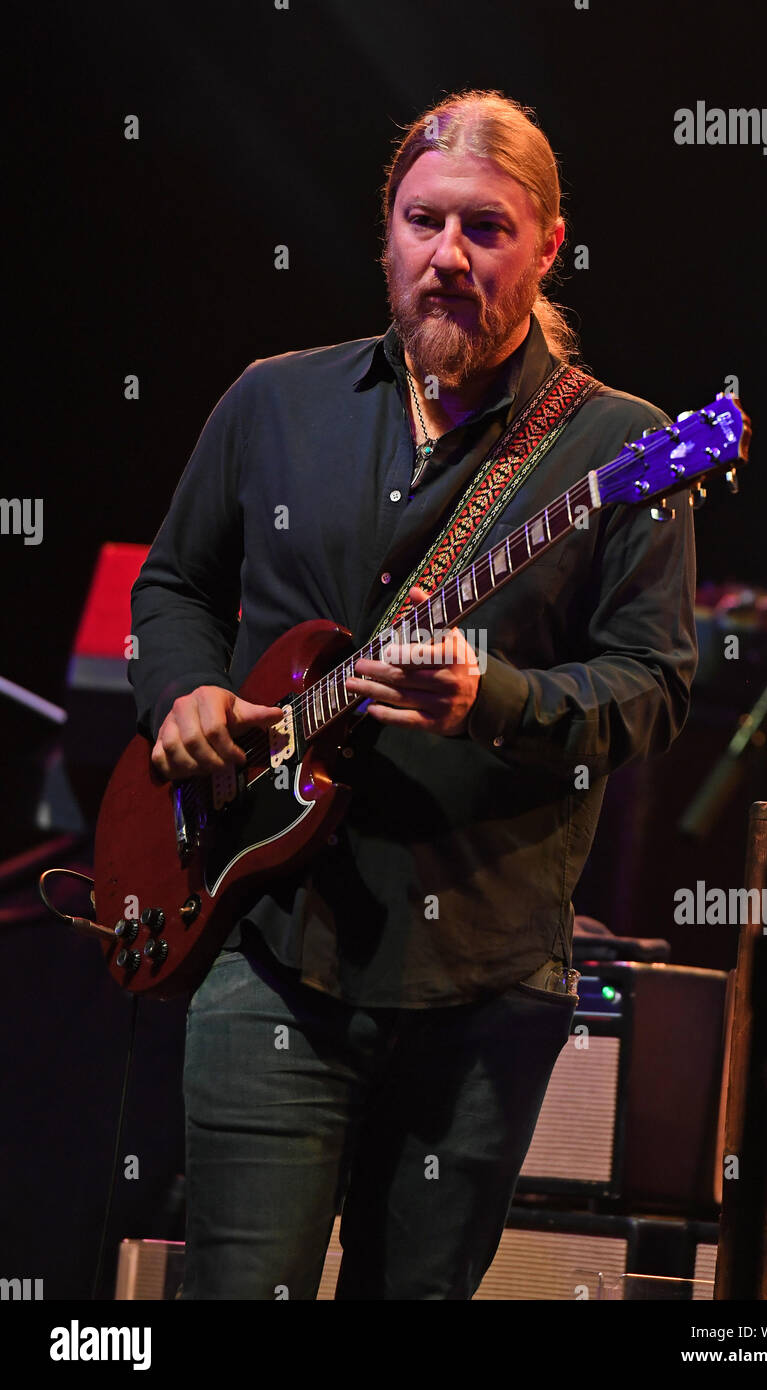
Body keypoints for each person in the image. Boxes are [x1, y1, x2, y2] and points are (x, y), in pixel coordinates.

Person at [128, 89, 697, 1300]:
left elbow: (648, 691)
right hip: (265, 939)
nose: (447, 256)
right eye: (421, 222)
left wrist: (491, 698)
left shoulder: (619, 446)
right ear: (384, 231)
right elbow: (176, 579)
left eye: (484, 229)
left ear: (546, 244)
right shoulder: (272, 401)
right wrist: (180, 691)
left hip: (480, 987)